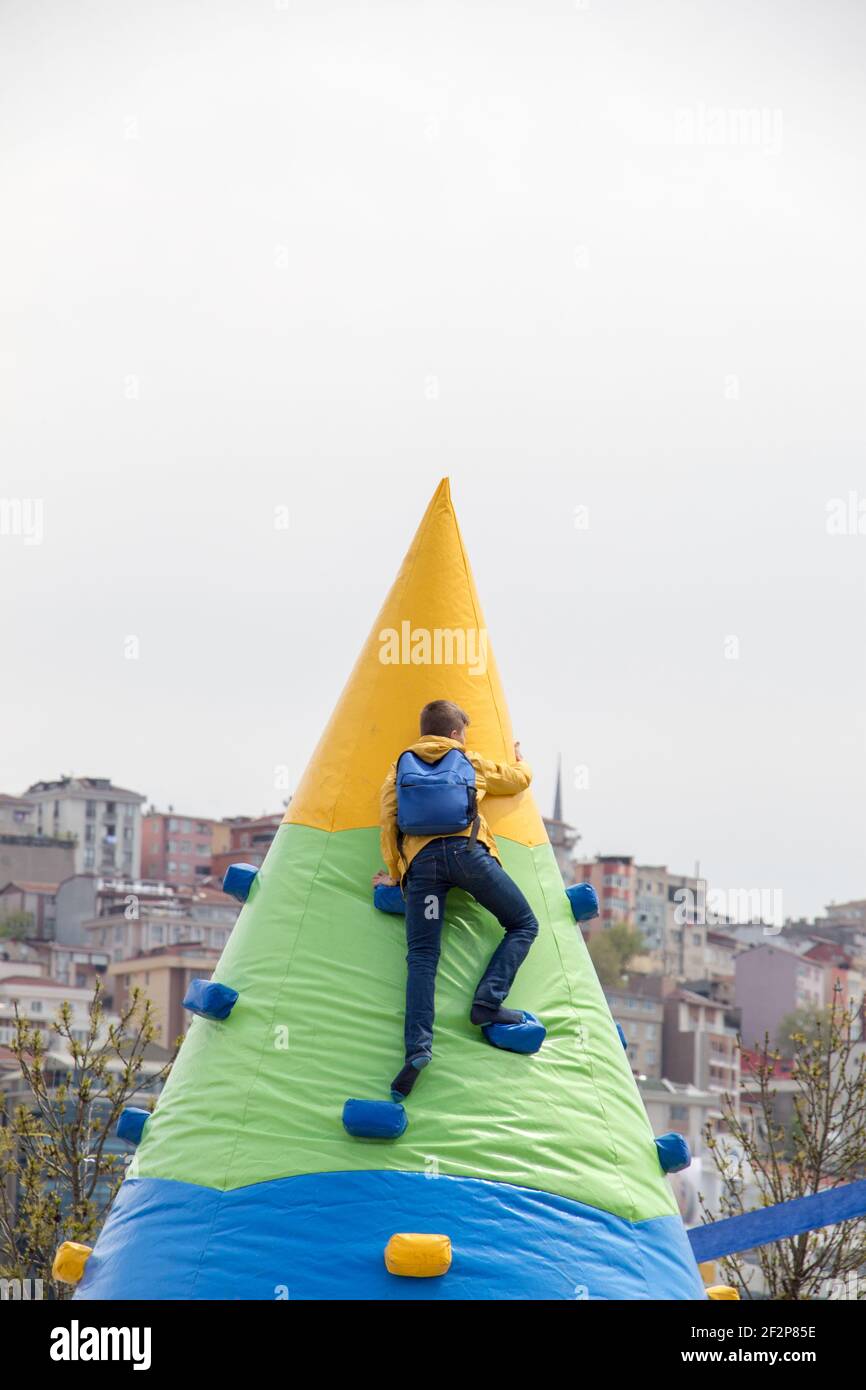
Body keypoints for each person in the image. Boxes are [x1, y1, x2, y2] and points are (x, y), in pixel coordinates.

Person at [375, 698, 539, 1101]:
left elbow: (387, 818)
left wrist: (397, 874)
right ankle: (487, 1002)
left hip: (425, 868)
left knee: (423, 958)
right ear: (454, 734)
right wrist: (522, 760)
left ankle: (418, 1049)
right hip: (468, 858)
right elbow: (516, 780)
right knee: (522, 923)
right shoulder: (467, 759)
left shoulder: (400, 766)